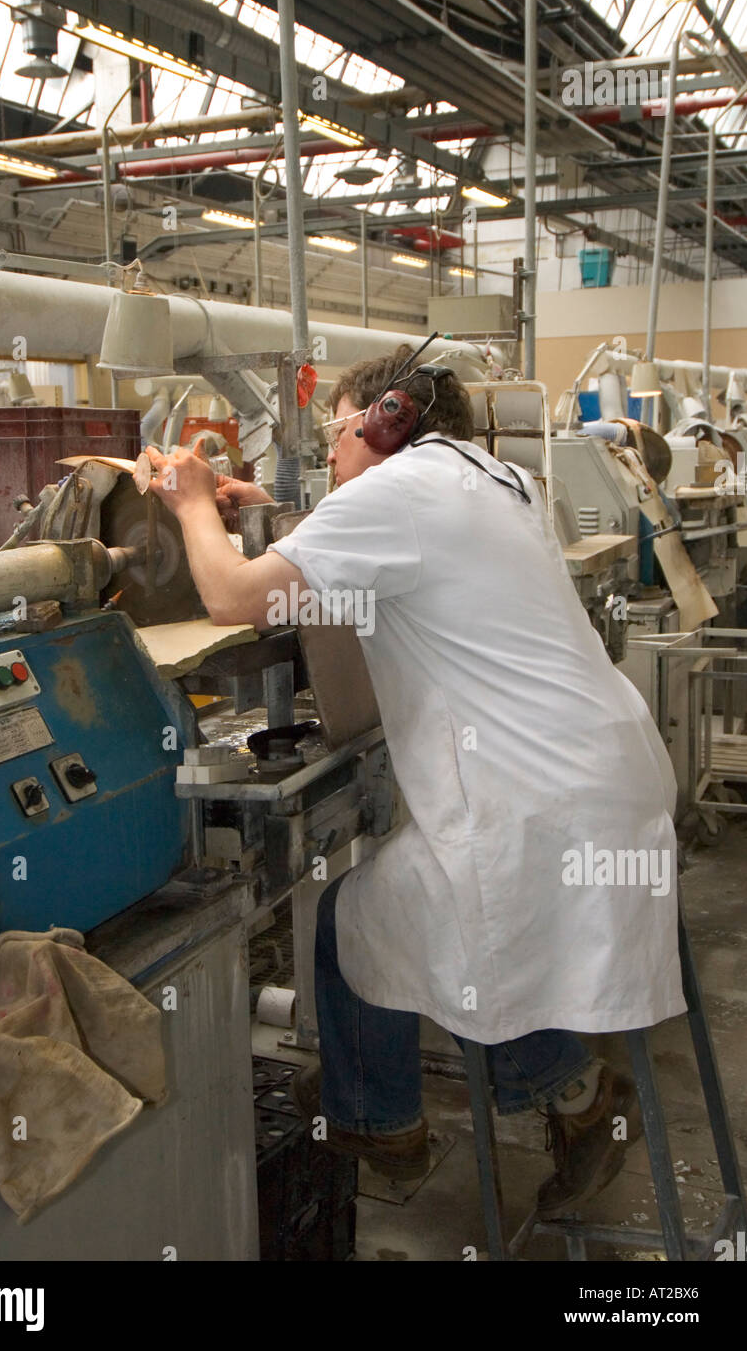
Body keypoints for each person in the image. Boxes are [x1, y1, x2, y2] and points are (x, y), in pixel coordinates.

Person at [146, 344, 684, 1217]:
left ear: (383, 419)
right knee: (467, 934)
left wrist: (194, 506)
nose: (331, 454)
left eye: (336, 435)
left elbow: (235, 601)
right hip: (605, 776)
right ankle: (564, 1098)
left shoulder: (399, 492)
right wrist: (282, 517)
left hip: (537, 803)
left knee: (358, 917)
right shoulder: (494, 480)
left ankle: (386, 1120)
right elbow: (385, 548)